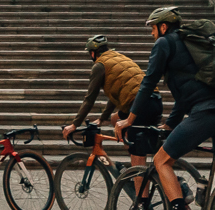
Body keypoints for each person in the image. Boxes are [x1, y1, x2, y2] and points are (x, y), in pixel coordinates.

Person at [129, 5, 215, 210]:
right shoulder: (191, 45)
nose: (152, 34)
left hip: (206, 112)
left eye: (153, 29)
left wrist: (129, 119)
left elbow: (148, 83)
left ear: (164, 26)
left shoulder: (164, 43)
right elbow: (185, 95)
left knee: (161, 160)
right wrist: (170, 124)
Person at [63, 33, 156, 167]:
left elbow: (90, 99)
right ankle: (132, 162)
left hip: (139, 105)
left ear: (93, 53)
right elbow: (117, 93)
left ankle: (137, 176)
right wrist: (103, 118)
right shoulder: (118, 57)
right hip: (151, 100)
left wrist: (74, 124)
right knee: (114, 119)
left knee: (138, 160)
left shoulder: (100, 65)